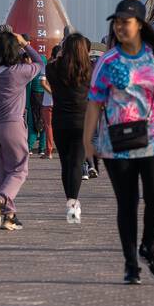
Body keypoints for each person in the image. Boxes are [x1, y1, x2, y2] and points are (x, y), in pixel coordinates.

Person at [84, 0, 154, 284]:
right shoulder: (107, 61)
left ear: (139, 25)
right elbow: (93, 103)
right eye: (116, 22)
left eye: (125, 22)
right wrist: (87, 142)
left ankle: (148, 245)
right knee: (126, 204)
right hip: (117, 143)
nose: (119, 27)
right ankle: (131, 265)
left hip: (153, 140)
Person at [0, 26, 43, 230]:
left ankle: (9, 216)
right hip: (12, 125)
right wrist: (24, 45)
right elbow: (40, 63)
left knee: (1, 172)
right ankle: (1, 198)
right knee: (20, 169)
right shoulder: (19, 72)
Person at [48, 32, 92, 222]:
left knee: (66, 164)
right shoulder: (91, 70)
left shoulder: (53, 68)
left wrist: (59, 56)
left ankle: (71, 203)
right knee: (76, 163)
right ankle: (73, 203)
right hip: (83, 122)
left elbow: (51, 65)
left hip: (59, 121)